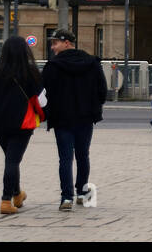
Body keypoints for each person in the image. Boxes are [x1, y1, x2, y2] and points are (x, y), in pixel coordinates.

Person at [41, 29, 107, 211]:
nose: (53, 47)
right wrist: (93, 106)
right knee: (83, 155)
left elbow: (43, 94)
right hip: (85, 118)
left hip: (62, 119)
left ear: (67, 43)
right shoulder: (92, 63)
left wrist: (48, 112)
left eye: (55, 43)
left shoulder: (52, 67)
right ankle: (83, 193)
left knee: (65, 158)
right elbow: (102, 90)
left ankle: (66, 198)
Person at [0, 35, 44, 215]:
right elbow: (40, 100)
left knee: (11, 159)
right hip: (22, 124)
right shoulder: (30, 72)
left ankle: (17, 195)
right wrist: (46, 115)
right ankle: (5, 200)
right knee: (12, 161)